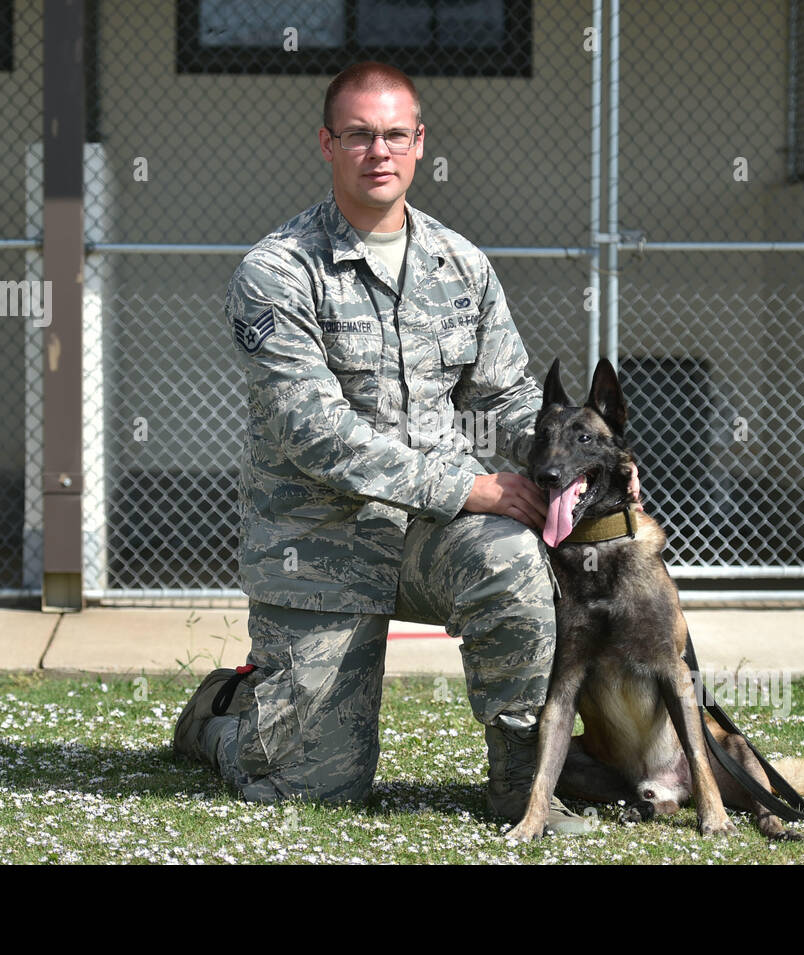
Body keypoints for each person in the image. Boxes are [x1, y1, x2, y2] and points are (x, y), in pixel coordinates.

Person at [173, 61, 589, 833]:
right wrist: (466, 488)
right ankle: (221, 718)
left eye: (395, 134)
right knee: (312, 790)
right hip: (319, 541)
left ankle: (522, 785)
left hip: (433, 535)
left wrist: (581, 461)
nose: (379, 151)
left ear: (421, 142)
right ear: (326, 144)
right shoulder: (276, 271)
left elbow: (507, 396)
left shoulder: (462, 265)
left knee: (512, 558)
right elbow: (314, 433)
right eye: (359, 135)